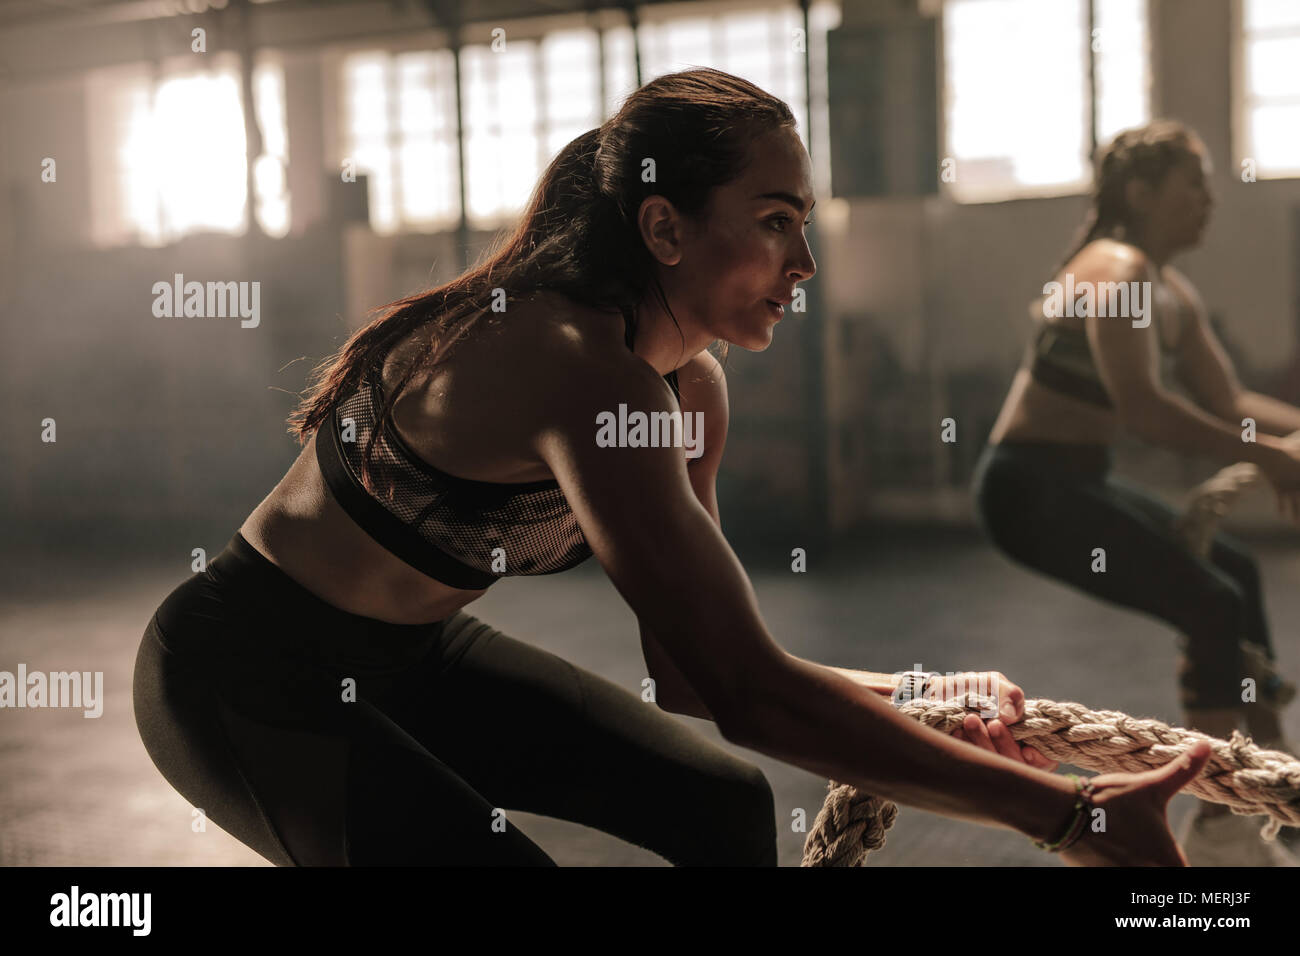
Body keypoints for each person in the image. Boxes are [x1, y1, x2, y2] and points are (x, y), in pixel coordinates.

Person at [133, 69, 1209, 867]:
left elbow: (698, 670)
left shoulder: (690, 392)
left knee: (720, 802)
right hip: (244, 669)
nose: (805, 263)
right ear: (663, 227)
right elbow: (746, 691)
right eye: (775, 222)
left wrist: (920, 695)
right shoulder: (573, 368)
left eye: (805, 224)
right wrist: (1067, 814)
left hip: (419, 656)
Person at [973, 119, 1300, 866]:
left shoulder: (1167, 287)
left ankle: (1265, 788)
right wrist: (1270, 456)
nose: (1210, 200)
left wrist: (1289, 440)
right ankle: (1222, 819)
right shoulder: (1116, 272)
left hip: (1074, 479)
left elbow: (1229, 401)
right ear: (1143, 192)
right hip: (1027, 488)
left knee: (1235, 574)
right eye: (1194, 185)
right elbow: (1144, 408)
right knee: (1210, 602)